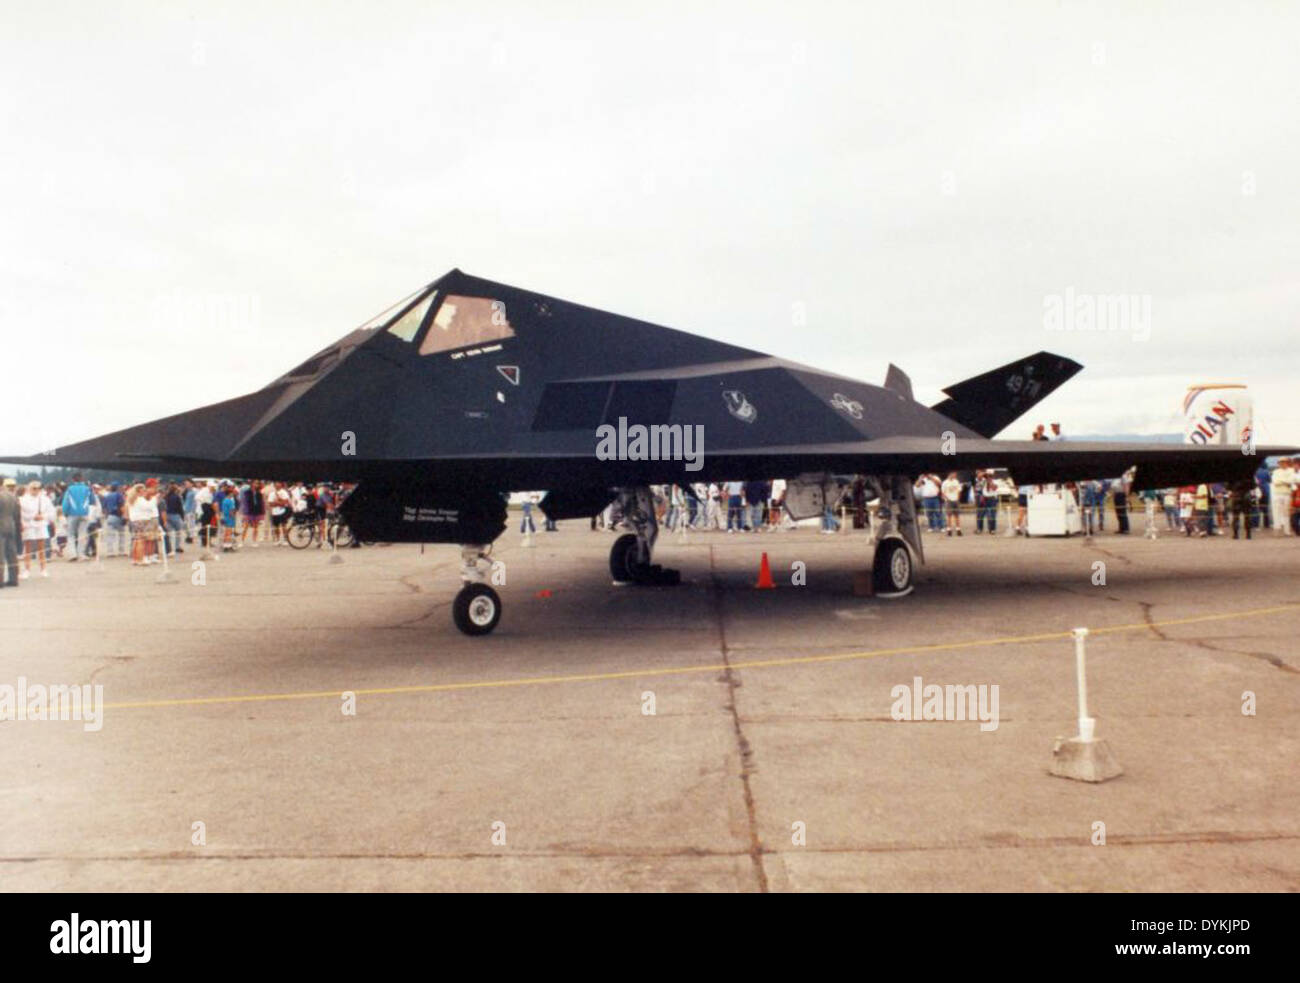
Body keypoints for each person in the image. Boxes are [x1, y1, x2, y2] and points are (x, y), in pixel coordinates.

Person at [19, 480, 52, 578]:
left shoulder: (45, 499)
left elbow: (50, 511)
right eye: (33, 488)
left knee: (41, 548)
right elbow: (21, 513)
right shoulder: (23, 499)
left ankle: (43, 569)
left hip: (41, 524)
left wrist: (43, 517)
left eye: (38, 488)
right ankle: (27, 570)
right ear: (29, 489)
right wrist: (33, 516)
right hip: (29, 525)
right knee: (28, 548)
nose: (36, 490)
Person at [60, 472, 95, 561]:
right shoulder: (88, 489)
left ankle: (72, 554)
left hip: (72, 513)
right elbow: (92, 501)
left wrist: (64, 513)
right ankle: (81, 554)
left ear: (73, 480)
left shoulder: (70, 489)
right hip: (84, 513)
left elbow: (66, 503)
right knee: (82, 534)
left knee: (71, 534)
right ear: (82, 479)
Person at [0, 477, 21, 587]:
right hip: (11, 525)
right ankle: (14, 579)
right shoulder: (11, 495)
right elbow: (17, 513)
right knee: (11, 553)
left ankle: (0, 580)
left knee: (0, 554)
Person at [1270, 458, 1294, 535]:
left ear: (1287, 463)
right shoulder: (1276, 471)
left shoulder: (1291, 471)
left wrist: (1282, 481)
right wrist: (1285, 481)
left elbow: (1291, 481)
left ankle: (1287, 531)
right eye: (1281, 462)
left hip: (1287, 493)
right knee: (1277, 511)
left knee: (1286, 513)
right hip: (1278, 493)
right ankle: (1277, 529)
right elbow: (1275, 482)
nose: (1283, 464)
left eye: (1284, 462)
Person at [942, 472, 963, 536]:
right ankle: (949, 530)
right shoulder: (945, 482)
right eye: (954, 474)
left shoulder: (956, 481)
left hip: (955, 500)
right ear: (950, 474)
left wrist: (958, 499)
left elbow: (959, 490)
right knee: (949, 516)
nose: (955, 475)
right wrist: (947, 499)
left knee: (957, 515)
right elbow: (943, 492)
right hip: (949, 500)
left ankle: (958, 529)